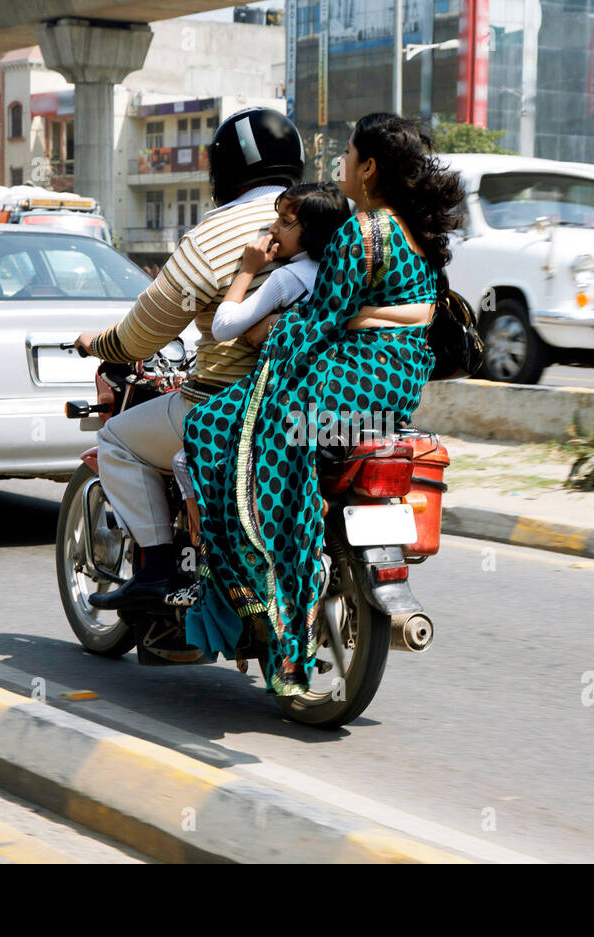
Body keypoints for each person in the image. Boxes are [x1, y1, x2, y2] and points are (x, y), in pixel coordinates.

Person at [181, 112, 465, 694]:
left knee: (215, 429)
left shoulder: (362, 231)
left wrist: (265, 334)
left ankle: (284, 618)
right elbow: (420, 312)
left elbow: (317, 324)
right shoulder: (413, 231)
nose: (338, 167)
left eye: (347, 156)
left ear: (368, 168)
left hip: (346, 381)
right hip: (395, 386)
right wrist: (373, 316)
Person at [71, 107, 306, 610]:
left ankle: (159, 570)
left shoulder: (214, 237)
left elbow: (143, 334)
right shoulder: (333, 218)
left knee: (117, 440)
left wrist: (99, 343)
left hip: (230, 405)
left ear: (225, 171)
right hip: (318, 398)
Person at [166, 182, 351, 608]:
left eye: (286, 222)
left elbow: (225, 326)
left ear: (314, 235)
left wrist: (248, 269)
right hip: (333, 401)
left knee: (185, 458)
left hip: (279, 399)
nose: (273, 228)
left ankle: (206, 566)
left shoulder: (288, 277)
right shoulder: (344, 274)